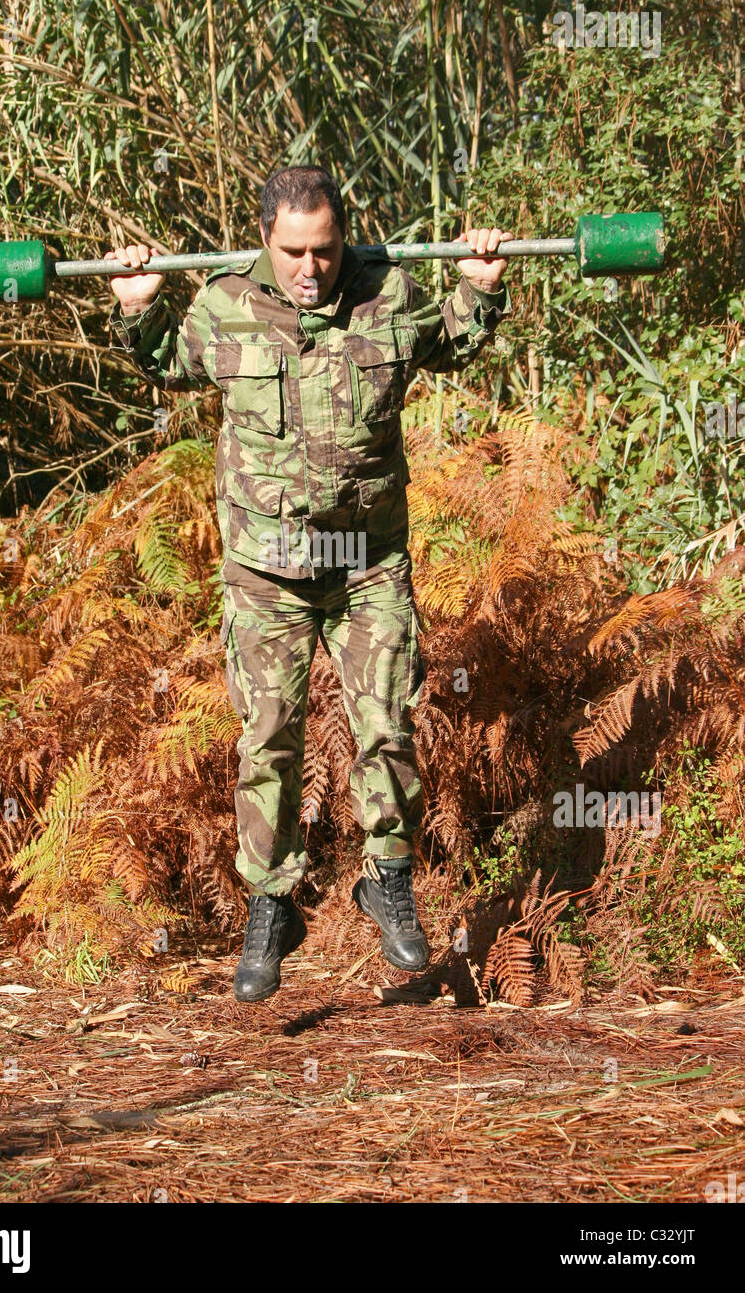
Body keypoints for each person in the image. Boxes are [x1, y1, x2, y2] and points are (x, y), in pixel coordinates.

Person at [106, 165, 511, 1003]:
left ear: (344, 238)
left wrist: (477, 285)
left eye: (324, 251)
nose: (309, 270)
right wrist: (139, 306)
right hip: (268, 573)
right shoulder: (224, 305)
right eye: (292, 252)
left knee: (387, 723)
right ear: (265, 241)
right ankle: (272, 904)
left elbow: (456, 342)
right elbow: (167, 367)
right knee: (270, 739)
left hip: (368, 565)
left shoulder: (390, 294)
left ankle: (386, 880)